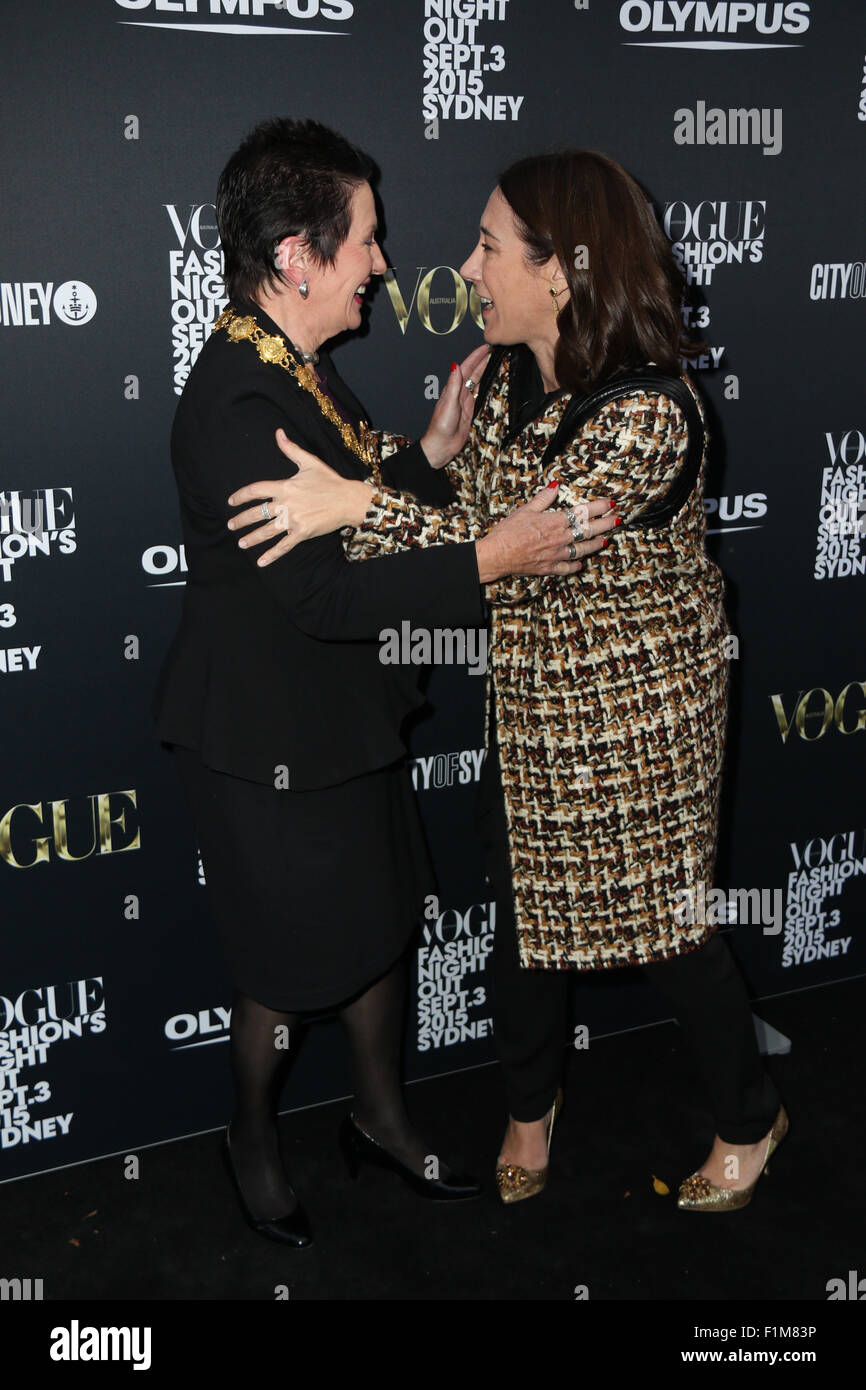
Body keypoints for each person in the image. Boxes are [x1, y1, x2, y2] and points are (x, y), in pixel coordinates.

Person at [230, 149, 788, 1215]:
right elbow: (463, 509)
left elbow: (515, 541)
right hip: (530, 711)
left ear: (564, 272)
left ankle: (749, 1115)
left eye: (488, 246)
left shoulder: (647, 418)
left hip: (638, 727)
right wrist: (413, 460)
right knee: (527, 926)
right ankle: (530, 1109)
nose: (464, 268)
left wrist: (351, 505)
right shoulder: (510, 377)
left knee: (671, 934)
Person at [153, 119, 615, 1247]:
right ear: (297, 256)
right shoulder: (239, 404)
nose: (383, 263)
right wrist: (490, 554)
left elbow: (353, 520)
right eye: (364, 239)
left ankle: (378, 1116)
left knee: (371, 929)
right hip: (268, 735)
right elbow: (323, 596)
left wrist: (427, 457)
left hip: (339, 718)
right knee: (283, 964)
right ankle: (250, 1138)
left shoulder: (295, 363)